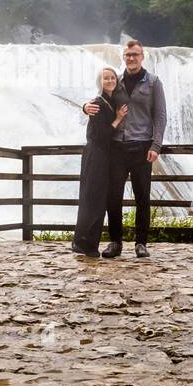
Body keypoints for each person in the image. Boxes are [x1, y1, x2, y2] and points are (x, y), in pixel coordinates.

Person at [83, 39, 167, 258]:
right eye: (128, 55)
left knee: (142, 198)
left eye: (135, 55)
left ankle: (141, 243)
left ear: (142, 56)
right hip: (117, 148)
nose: (131, 58)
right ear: (124, 57)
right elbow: (99, 100)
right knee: (114, 197)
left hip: (142, 147)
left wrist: (156, 145)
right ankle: (115, 242)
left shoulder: (153, 82)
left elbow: (160, 116)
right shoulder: (115, 81)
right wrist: (85, 107)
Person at [71, 67, 128, 257]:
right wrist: (118, 119)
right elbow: (101, 135)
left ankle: (88, 243)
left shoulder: (109, 100)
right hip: (96, 154)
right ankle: (82, 242)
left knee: (98, 198)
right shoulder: (97, 103)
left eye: (113, 78)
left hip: (104, 156)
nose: (110, 81)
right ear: (100, 82)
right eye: (106, 78)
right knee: (92, 198)